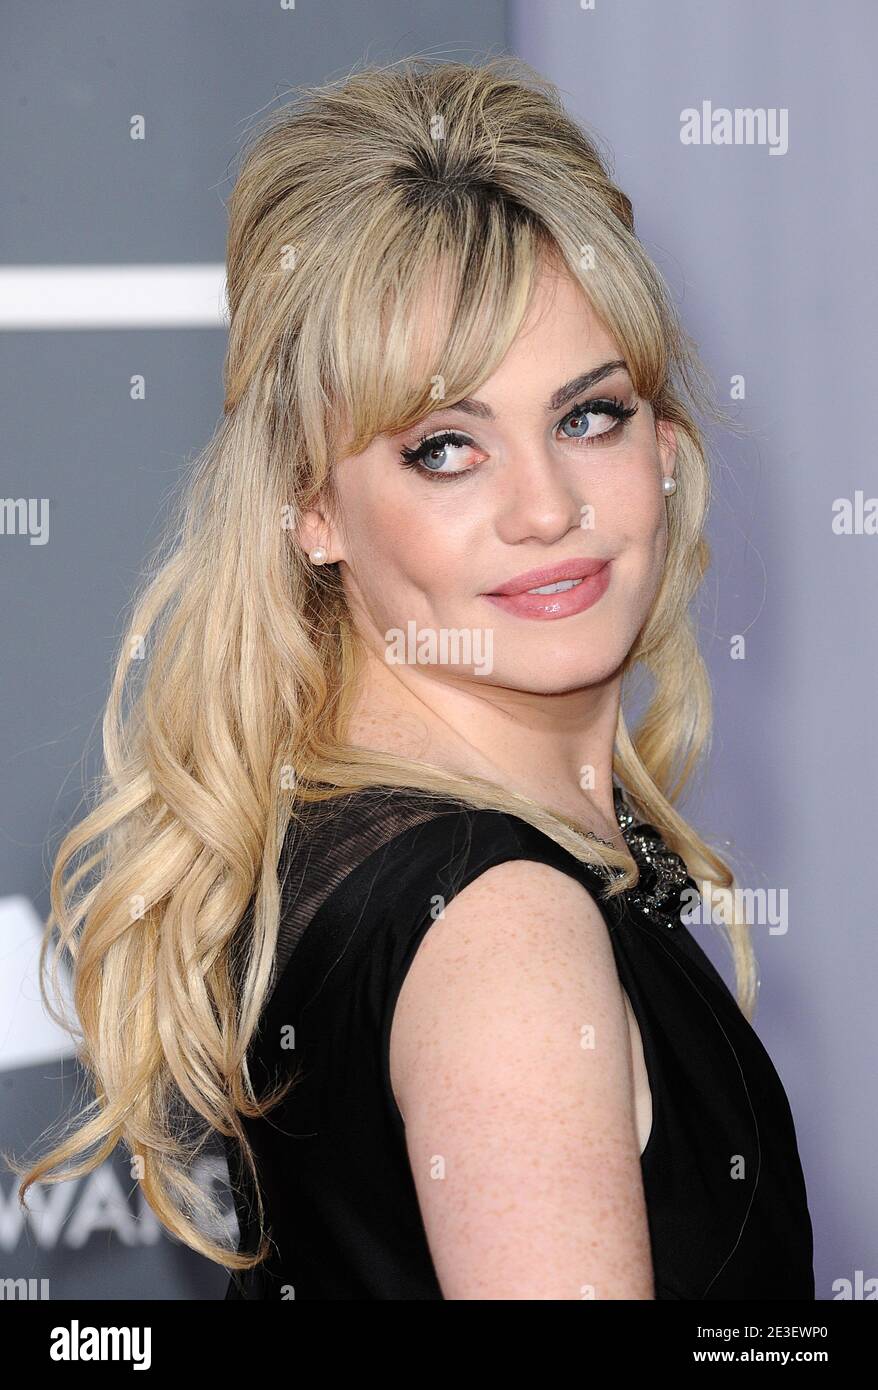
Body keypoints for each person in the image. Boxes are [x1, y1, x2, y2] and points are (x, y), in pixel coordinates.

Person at [15, 55, 814, 1300]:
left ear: (664, 440)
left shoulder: (350, 856)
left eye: (587, 415)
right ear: (310, 506)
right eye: (445, 447)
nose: (544, 507)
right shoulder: (503, 925)